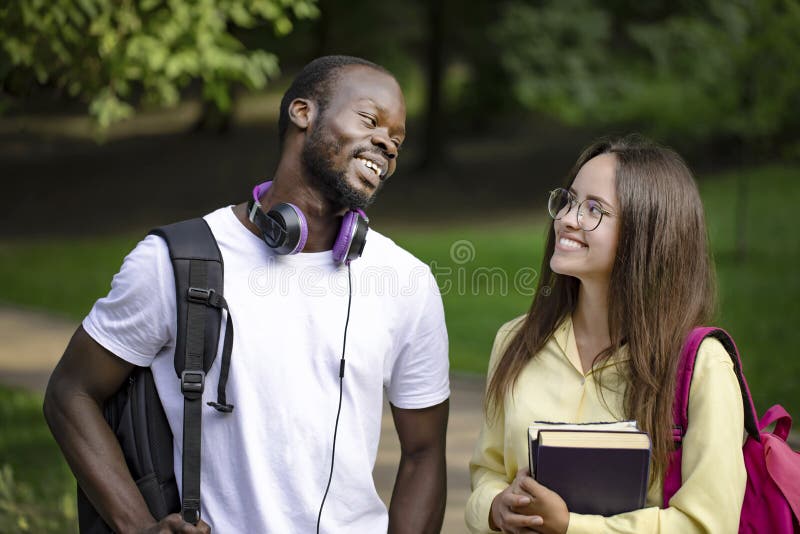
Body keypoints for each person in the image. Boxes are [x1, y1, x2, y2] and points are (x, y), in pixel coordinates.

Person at [44, 55, 450, 533]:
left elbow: (424, 453)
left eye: (397, 139)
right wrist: (136, 527)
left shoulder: (407, 281)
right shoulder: (174, 261)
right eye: (369, 119)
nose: (386, 142)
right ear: (304, 112)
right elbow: (71, 392)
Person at [465, 135, 746, 533]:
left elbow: (707, 524)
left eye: (594, 209)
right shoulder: (515, 341)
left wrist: (569, 526)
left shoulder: (703, 366)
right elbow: (487, 470)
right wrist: (494, 508)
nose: (566, 218)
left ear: (648, 235)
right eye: (569, 200)